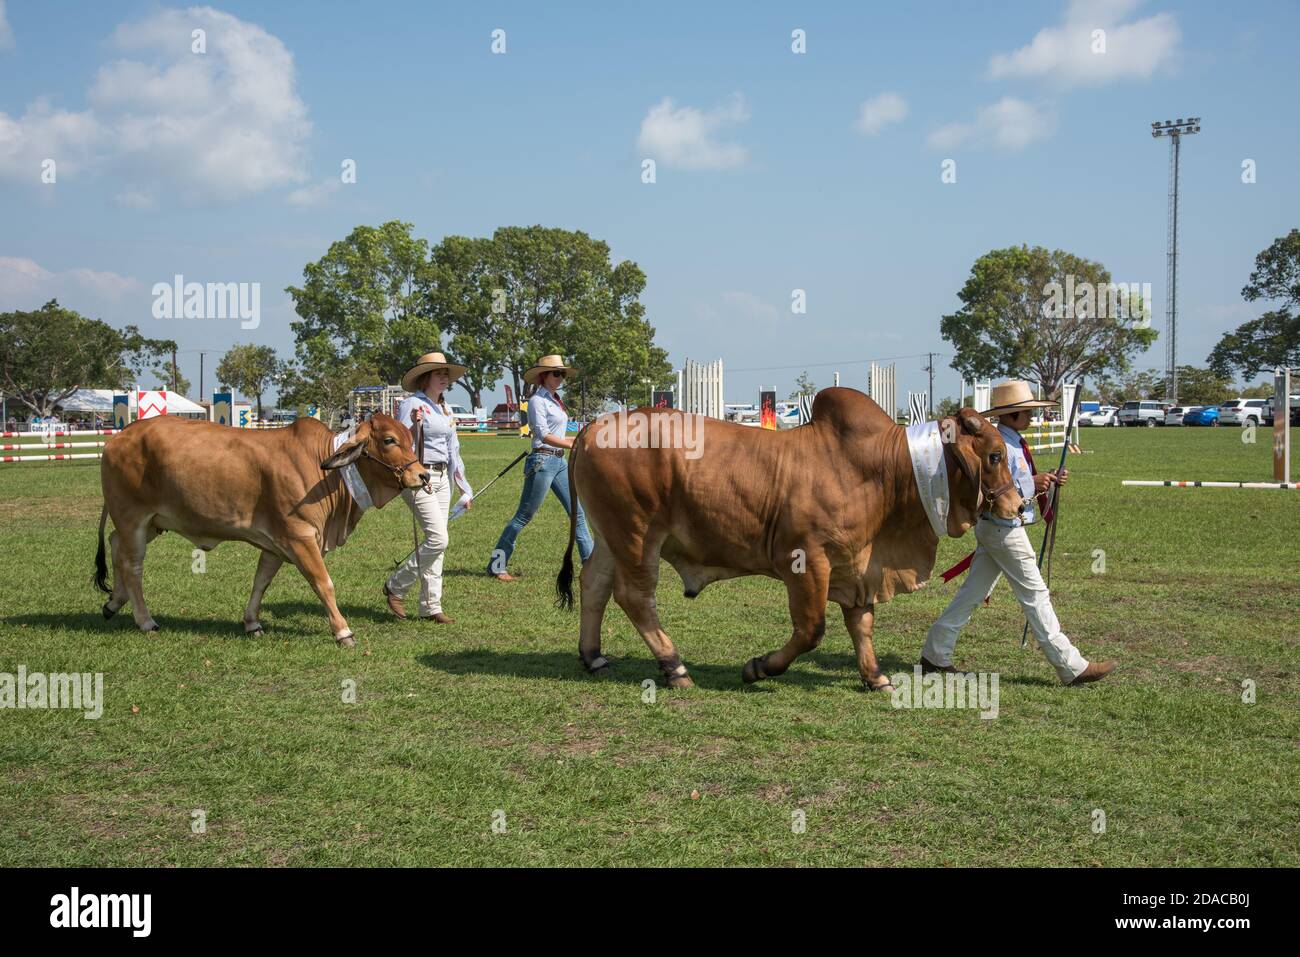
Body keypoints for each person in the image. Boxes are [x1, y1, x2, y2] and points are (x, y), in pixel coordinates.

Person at [921, 380, 1116, 686]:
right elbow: (996, 488)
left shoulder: (1012, 442)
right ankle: (1071, 666)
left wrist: (1046, 479)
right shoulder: (1004, 446)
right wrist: (1032, 484)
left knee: (972, 595)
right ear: (1011, 416)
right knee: (1036, 595)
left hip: (997, 529)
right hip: (1004, 529)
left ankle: (935, 653)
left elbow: (1019, 483)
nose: (1031, 418)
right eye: (1026, 413)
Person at [381, 352, 473, 624]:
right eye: (438, 373)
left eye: (446, 373)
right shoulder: (411, 404)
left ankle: (431, 606)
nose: (444, 378)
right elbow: (398, 443)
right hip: (419, 476)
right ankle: (396, 586)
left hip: (443, 477)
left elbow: (453, 450)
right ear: (425, 378)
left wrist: (463, 487)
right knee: (438, 538)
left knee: (439, 541)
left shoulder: (444, 408)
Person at [487, 354, 593, 582]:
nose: (561, 377)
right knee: (523, 517)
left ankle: (591, 564)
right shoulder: (537, 401)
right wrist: (573, 443)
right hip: (543, 461)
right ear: (544, 376)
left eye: (562, 373)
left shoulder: (556, 400)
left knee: (578, 514)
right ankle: (497, 564)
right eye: (557, 373)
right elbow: (542, 434)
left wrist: (571, 443)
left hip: (560, 461)